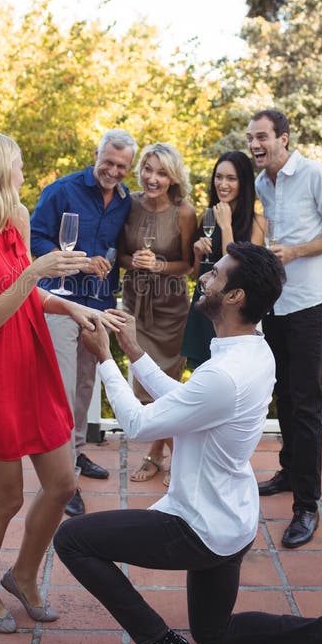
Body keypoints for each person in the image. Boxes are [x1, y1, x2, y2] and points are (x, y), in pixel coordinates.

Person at [53, 242, 322, 644]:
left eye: (217, 274)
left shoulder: (225, 374)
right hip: (233, 521)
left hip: (198, 528)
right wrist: (132, 350)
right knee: (214, 633)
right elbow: (188, 403)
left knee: (73, 540)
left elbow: (141, 425)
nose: (204, 277)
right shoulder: (251, 353)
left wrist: (105, 359)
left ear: (235, 297)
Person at [0, 130, 102, 633]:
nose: (24, 175)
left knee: (62, 483)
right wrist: (38, 272)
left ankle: (24, 576)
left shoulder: (16, 218)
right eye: (18, 165)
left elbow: (24, 293)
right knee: (6, 499)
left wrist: (68, 304)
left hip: (31, 367)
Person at [247, 109, 322, 548]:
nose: (255, 144)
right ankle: (290, 472)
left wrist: (295, 253)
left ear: (284, 138)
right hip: (276, 304)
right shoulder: (261, 183)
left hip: (309, 303)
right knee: (284, 397)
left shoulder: (316, 175)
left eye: (263, 137)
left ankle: (306, 506)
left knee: (306, 405)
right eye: (251, 137)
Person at [31, 128, 138, 516]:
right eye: (107, 162)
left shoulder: (126, 201)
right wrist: (80, 261)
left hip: (99, 303)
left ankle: (74, 455)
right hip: (60, 301)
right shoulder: (62, 190)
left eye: (121, 166)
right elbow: (35, 239)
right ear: (97, 154)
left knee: (84, 385)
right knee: (61, 386)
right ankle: (63, 480)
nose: (112, 170)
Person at [118, 143, 197, 487]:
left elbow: (190, 266)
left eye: (162, 172)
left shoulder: (185, 212)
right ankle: (172, 453)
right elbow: (118, 252)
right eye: (148, 169)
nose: (153, 178)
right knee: (141, 389)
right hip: (136, 305)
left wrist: (161, 265)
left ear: (173, 177)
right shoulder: (128, 204)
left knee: (167, 389)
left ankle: (158, 454)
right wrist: (130, 261)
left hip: (171, 308)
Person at [181, 150, 266, 371]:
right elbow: (197, 274)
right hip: (204, 305)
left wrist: (227, 226)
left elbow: (241, 272)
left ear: (243, 182)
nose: (223, 184)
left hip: (230, 313)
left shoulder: (258, 223)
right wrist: (198, 254)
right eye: (219, 177)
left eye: (231, 178)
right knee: (201, 376)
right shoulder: (208, 217)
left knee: (227, 374)